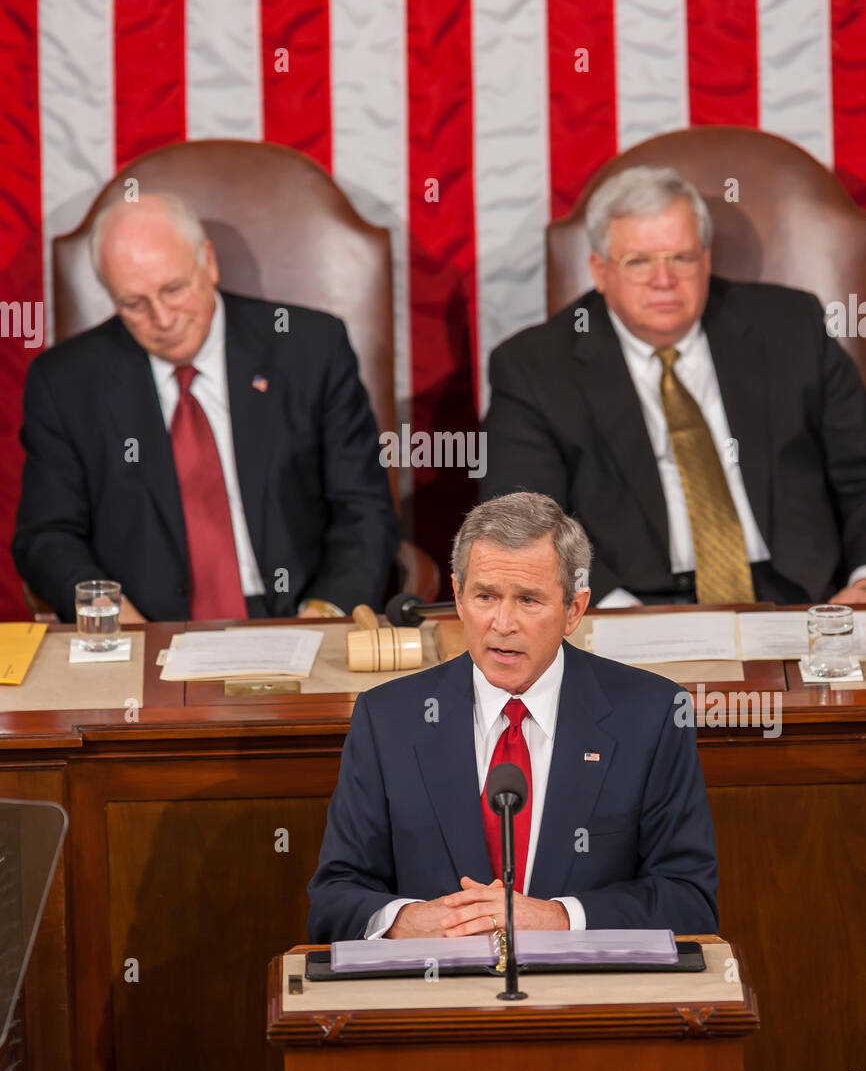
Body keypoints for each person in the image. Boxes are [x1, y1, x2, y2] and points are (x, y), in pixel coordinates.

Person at [307, 492, 718, 942]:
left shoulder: (651, 715)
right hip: (438, 999)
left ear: (574, 610)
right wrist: (409, 921)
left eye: (528, 600)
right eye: (486, 596)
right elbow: (334, 900)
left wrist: (559, 918)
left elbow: (689, 902)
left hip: (584, 1000)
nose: (503, 623)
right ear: (459, 597)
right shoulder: (387, 720)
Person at [481, 166, 866, 607]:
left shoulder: (790, 326)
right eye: (639, 261)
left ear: (705, 260)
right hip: (629, 603)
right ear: (600, 270)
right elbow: (525, 516)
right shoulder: (534, 367)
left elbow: (860, 469)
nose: (663, 280)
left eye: (680, 258)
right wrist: (617, 616)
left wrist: (863, 580)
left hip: (805, 600)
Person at [13, 193, 400, 622]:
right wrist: (111, 615)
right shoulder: (67, 382)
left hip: (294, 615)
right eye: (134, 304)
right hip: (144, 626)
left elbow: (363, 508)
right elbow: (47, 535)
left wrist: (325, 614)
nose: (162, 319)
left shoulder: (310, 349)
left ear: (209, 263)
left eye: (174, 289)